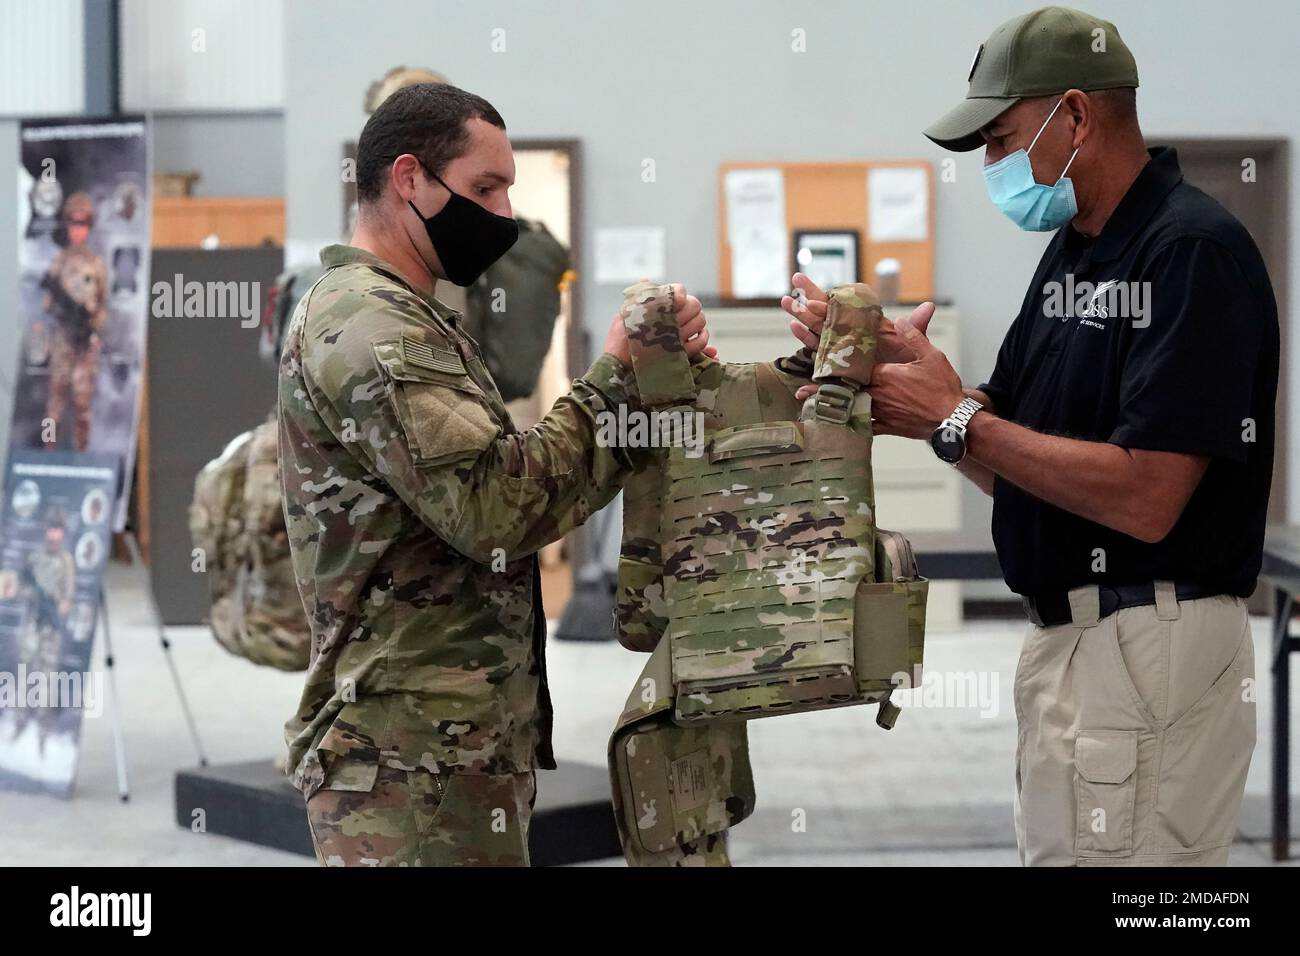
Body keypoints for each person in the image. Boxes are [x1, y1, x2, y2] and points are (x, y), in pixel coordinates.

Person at [783, 5, 1277, 866]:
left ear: (1078, 115)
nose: (993, 166)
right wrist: (911, 377)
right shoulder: (1079, 252)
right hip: (1076, 647)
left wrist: (954, 416)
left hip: (1145, 646)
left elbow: (1148, 496)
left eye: (1003, 140)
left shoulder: (1190, 254)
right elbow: (1009, 450)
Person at [279, 82, 713, 866]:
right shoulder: (374, 328)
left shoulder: (415, 314)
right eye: (486, 188)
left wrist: (647, 389)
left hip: (448, 752)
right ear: (408, 178)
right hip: (405, 767)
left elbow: (518, 485)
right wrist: (617, 373)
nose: (505, 213)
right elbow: (498, 507)